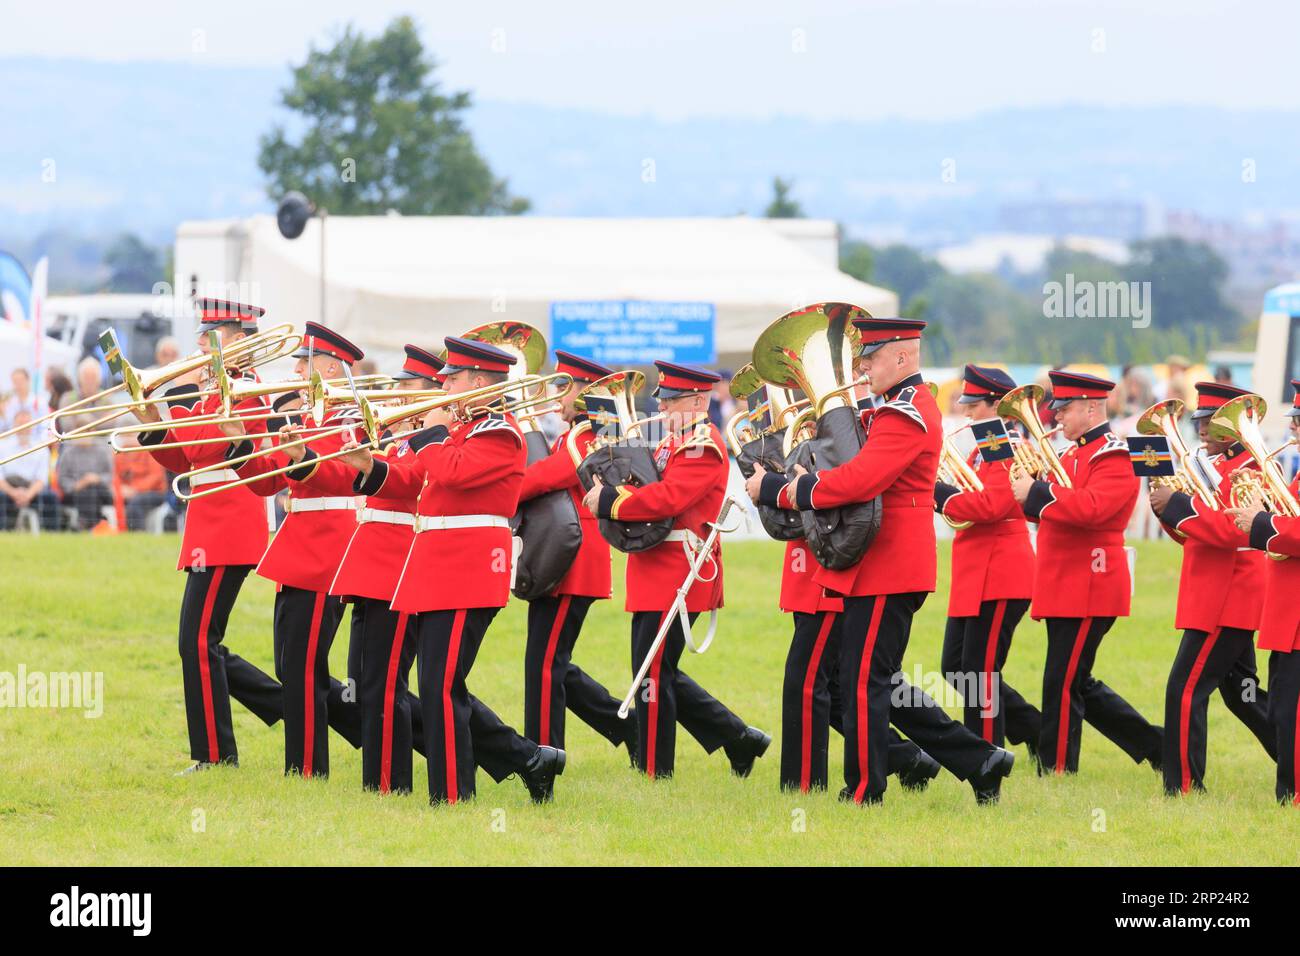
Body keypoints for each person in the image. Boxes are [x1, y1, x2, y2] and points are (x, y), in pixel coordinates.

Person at [749, 316, 1013, 805]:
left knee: (865, 680)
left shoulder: (908, 410)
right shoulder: (891, 408)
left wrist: (782, 491)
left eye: (869, 359)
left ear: (902, 356)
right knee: (876, 680)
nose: (862, 367)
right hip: (879, 562)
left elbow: (859, 481)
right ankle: (980, 760)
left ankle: (866, 789)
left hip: (891, 563)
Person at [346, 337, 565, 804]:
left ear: (480, 382)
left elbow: (453, 472)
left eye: (453, 378)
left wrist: (431, 432)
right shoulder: (460, 429)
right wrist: (369, 465)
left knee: (442, 685)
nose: (443, 386)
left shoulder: (501, 432)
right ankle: (518, 764)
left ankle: (452, 795)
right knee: (436, 683)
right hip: (436, 566)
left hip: (469, 568)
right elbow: (413, 480)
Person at [585, 360, 771, 781]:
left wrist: (612, 500)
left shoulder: (702, 445)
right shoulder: (672, 441)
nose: (663, 410)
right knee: (654, 668)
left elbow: (668, 499)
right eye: (663, 401)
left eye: (672, 403)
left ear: (699, 401)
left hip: (680, 570)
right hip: (657, 567)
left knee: (651, 670)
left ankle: (654, 768)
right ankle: (738, 738)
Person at [131, 299, 283, 773]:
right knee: (201, 641)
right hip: (208, 526)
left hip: (229, 528)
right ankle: (284, 704)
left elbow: (205, 446)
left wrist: (174, 412)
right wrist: (151, 423)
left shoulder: (247, 392)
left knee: (196, 641)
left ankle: (217, 756)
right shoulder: (213, 394)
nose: (200, 343)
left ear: (239, 339)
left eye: (210, 334)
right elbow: (185, 460)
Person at [219, 320, 367, 779]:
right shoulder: (305, 418)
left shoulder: (349, 417)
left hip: (329, 544)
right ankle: (381, 729)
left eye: (305, 363)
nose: (298, 371)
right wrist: (238, 441)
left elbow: (340, 475)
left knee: (303, 665)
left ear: (329, 366)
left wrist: (299, 452)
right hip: (301, 545)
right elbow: (267, 480)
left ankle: (305, 767)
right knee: (293, 663)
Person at [1010, 369, 1163, 776]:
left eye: (1065, 408)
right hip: (1066, 581)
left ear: (1092, 408)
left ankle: (1057, 768)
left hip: (1090, 583)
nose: (1055, 416)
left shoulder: (1111, 455)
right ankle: (1156, 745)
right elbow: (1057, 508)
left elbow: (1093, 509)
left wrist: (1039, 493)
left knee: (1061, 681)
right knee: (1077, 680)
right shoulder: (1073, 453)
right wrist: (1029, 490)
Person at [1148, 381, 1274, 794]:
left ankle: (1183, 786)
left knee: (1184, 689)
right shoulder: (1214, 467)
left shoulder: (1253, 469)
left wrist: (1181, 507)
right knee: (1243, 695)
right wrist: (1168, 513)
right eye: (1200, 420)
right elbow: (1195, 535)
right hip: (1216, 592)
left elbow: (1235, 531)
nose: (1201, 429)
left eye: (1212, 422)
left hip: (1229, 595)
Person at [327, 344, 439, 794]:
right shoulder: (401, 433)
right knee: (364, 679)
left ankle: (390, 782)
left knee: (386, 679)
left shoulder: (432, 439)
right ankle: (380, 777)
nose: (400, 393)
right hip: (372, 562)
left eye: (410, 386)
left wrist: (374, 460)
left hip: (401, 562)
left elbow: (410, 482)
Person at [516, 350, 634, 759]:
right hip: (562, 554)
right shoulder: (575, 433)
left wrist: (493, 490)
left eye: (563, 388)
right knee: (552, 662)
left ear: (585, 392)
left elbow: (541, 478)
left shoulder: (588, 434)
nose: (555, 397)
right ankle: (629, 728)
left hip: (573, 560)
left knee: (545, 665)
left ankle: (544, 754)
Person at [933, 365, 1043, 759]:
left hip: (1000, 570)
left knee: (979, 674)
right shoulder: (985, 445)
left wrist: (944, 496)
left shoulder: (1001, 442)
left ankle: (985, 756)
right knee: (955, 668)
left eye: (975, 405)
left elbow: (995, 505)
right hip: (978, 569)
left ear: (996, 404)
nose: (967, 412)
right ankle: (1034, 728)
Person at [1225, 380, 1300, 804]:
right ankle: (1288, 793)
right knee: (1282, 710)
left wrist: (1261, 523)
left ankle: (1293, 794)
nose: (1292, 431)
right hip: (1287, 611)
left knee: (1291, 712)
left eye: (1298, 423)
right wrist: (1261, 513)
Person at [0, 409, 60, 529]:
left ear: (32, 426)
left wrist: (28, 495)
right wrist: (13, 493)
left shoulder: (41, 448)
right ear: (14, 425)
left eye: (27, 424)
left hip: (32, 489)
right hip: (7, 488)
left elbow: (41, 480)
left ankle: (52, 536)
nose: (24, 428)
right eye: (20, 424)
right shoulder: (2, 446)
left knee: (51, 497)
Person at [55, 434, 114, 530]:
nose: (83, 437)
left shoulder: (102, 451)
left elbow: (110, 475)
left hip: (100, 490)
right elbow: (62, 478)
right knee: (88, 492)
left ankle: (85, 523)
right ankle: (95, 525)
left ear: (92, 433)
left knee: (93, 490)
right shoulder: (68, 453)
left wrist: (97, 478)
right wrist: (77, 485)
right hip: (76, 492)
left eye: (86, 433)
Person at [113, 432, 170, 530]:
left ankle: (138, 533)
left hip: (155, 493)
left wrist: (135, 489)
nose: (128, 439)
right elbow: (117, 477)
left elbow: (156, 477)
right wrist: (120, 489)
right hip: (129, 494)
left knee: (136, 503)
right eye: (125, 435)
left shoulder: (149, 451)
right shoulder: (120, 454)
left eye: (130, 435)